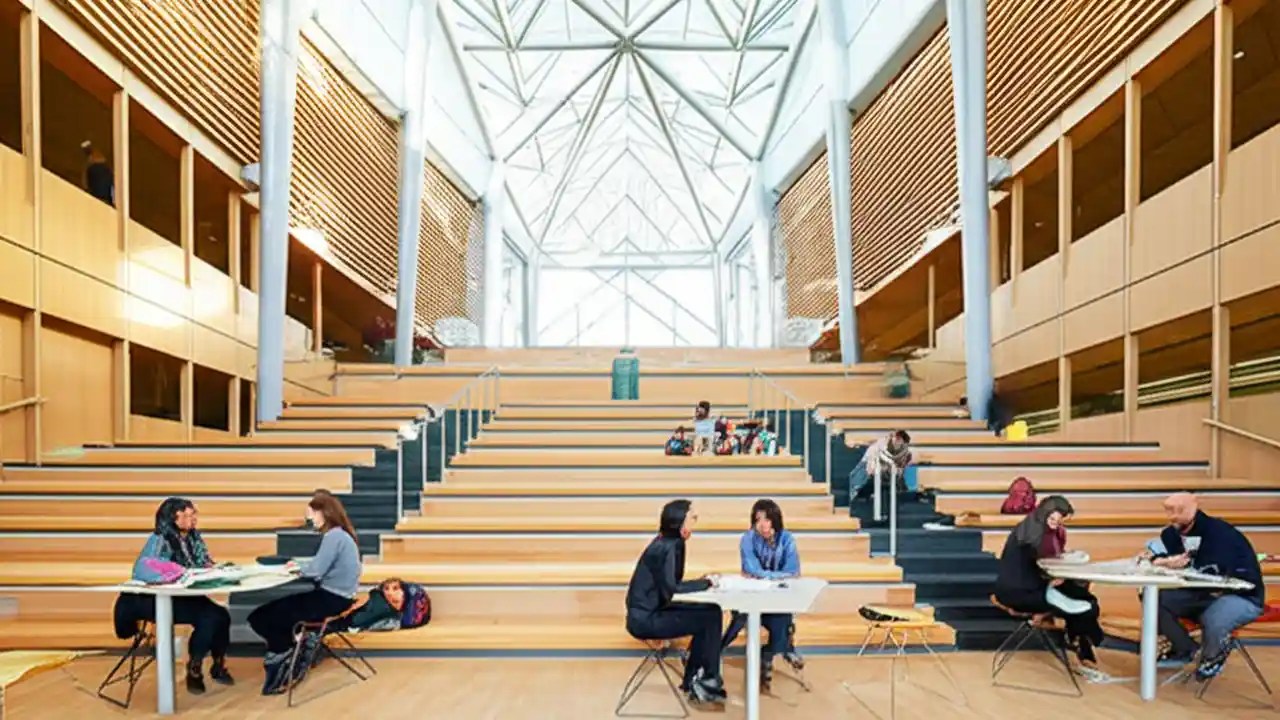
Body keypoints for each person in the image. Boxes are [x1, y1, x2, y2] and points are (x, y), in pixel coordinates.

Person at [248, 493, 362, 694]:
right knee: (277, 614)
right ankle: (289, 650)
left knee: (260, 617)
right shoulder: (341, 535)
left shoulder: (334, 536)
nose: (311, 519)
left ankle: (284, 653)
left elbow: (316, 571)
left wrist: (295, 569)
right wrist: (299, 565)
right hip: (338, 597)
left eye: (312, 514)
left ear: (324, 513)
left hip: (331, 598)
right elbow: (319, 565)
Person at [120, 497, 233, 694]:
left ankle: (217, 665)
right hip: (160, 599)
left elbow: (203, 562)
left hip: (186, 594)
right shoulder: (159, 539)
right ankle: (195, 669)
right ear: (174, 518)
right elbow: (145, 569)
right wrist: (177, 572)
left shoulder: (193, 538)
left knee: (221, 616)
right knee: (209, 617)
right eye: (188, 515)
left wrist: (214, 570)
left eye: (194, 514)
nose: (194, 519)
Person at [1146, 493, 1264, 680]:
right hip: (1200, 593)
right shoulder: (1170, 535)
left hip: (1240, 595)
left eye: (1178, 511)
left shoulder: (1221, 533)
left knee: (1215, 617)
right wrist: (1162, 561)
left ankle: (1211, 658)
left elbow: (1220, 571)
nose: (1172, 517)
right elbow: (1153, 555)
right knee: (1154, 599)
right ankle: (1185, 649)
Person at [624, 499, 726, 705]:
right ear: (679, 521)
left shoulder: (670, 543)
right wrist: (706, 583)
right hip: (645, 619)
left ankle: (699, 678)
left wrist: (701, 583)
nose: (695, 520)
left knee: (712, 612)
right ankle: (705, 679)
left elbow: (672, 583)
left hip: (653, 610)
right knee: (709, 618)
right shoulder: (666, 547)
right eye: (691, 517)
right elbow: (673, 589)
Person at [993, 496, 1107, 679]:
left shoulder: (1033, 528)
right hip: (1022, 592)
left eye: (1059, 521)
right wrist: (1049, 581)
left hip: (1031, 585)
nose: (1056, 524)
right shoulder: (1033, 535)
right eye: (1053, 520)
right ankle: (1084, 646)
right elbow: (1030, 570)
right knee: (1084, 603)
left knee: (1083, 596)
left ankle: (1082, 644)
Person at [721, 499, 804, 689]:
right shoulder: (748, 539)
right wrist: (775, 576)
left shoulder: (787, 539)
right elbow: (752, 569)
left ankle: (768, 655)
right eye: (758, 520)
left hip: (776, 599)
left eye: (767, 519)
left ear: (776, 520)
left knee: (782, 626)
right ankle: (709, 656)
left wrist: (765, 576)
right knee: (736, 625)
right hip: (750, 596)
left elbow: (793, 571)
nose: (763, 525)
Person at [848, 430, 913, 514]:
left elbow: (901, 468)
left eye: (901, 442)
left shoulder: (905, 451)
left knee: (898, 482)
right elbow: (870, 468)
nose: (898, 443)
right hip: (868, 471)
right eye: (896, 440)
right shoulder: (880, 445)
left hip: (888, 474)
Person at [81, 140, 114, 205]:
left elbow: (86, 185)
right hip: (104, 198)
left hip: (98, 197)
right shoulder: (106, 169)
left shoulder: (91, 168)